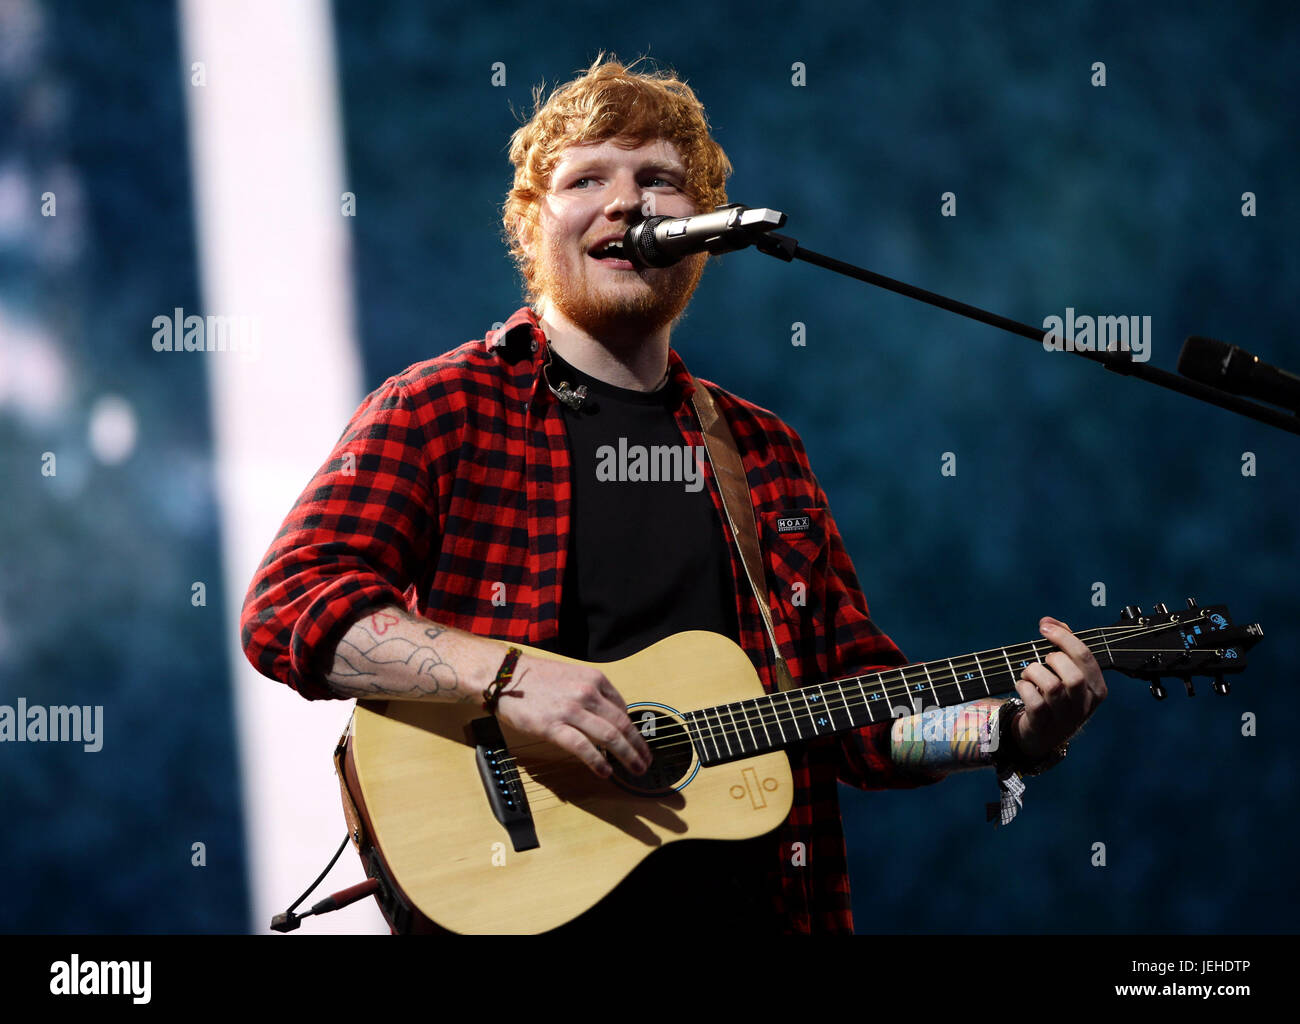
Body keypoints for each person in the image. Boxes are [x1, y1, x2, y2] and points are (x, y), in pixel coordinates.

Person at [240, 53, 1106, 935]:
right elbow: (288, 608)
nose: (627, 203)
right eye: (587, 178)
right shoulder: (441, 409)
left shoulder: (763, 451)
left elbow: (860, 718)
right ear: (529, 225)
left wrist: (1010, 734)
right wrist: (509, 679)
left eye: (659, 180)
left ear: (706, 231)